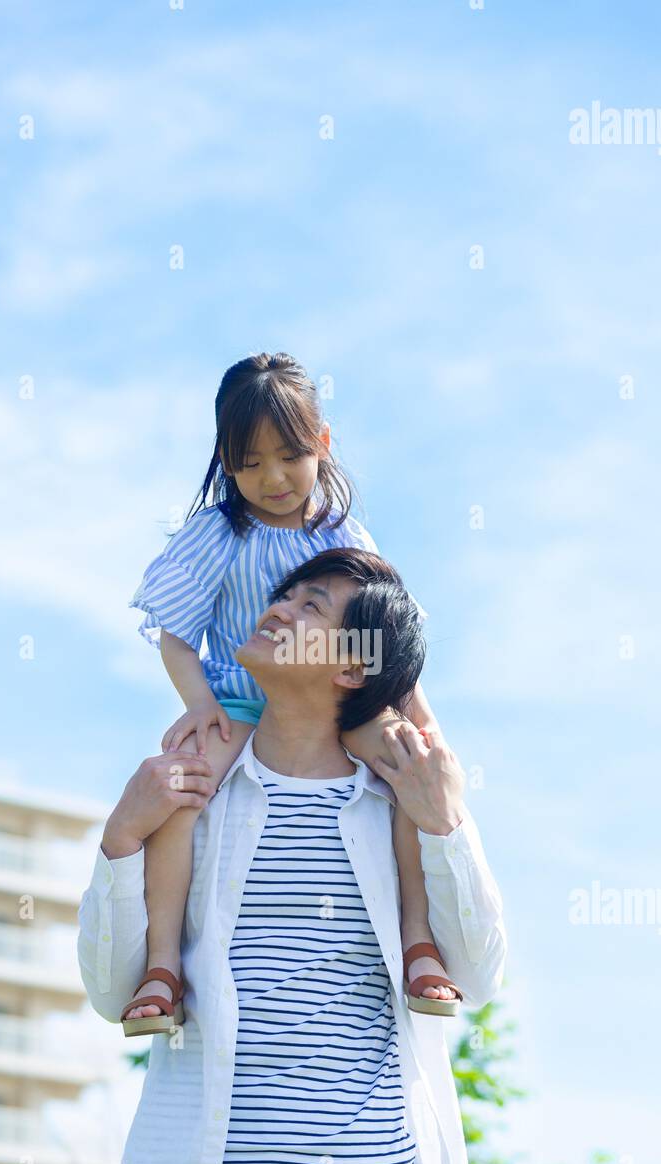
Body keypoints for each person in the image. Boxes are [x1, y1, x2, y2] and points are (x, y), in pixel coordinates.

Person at [77, 546, 508, 1164]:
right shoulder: (194, 783)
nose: (278, 609)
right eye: (286, 596)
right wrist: (119, 840)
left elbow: (477, 973)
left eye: (313, 607)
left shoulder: (400, 800)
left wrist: (445, 821)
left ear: (352, 667)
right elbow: (114, 991)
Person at [120, 350, 462, 1035]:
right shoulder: (219, 533)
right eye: (250, 463)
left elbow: (388, 641)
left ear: (322, 444)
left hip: (338, 704)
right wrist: (200, 706)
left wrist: (424, 726)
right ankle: (163, 965)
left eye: (289, 456)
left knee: (403, 773)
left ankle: (418, 941)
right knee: (182, 798)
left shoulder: (344, 536)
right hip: (243, 701)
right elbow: (175, 635)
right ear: (225, 462)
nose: (272, 478)